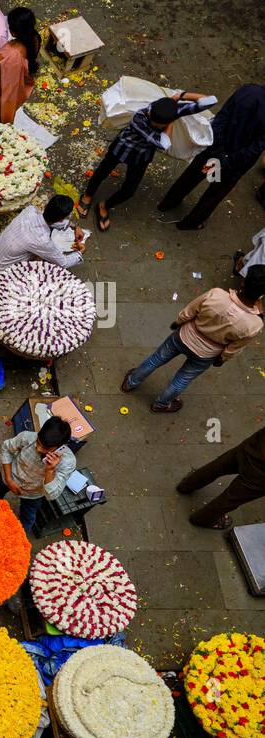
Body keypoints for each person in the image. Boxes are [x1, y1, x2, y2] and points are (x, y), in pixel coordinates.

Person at [122, 267, 264, 413]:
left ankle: (131, 382)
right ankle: (161, 404)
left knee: (156, 359)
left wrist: (178, 322)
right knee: (182, 379)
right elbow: (235, 347)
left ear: (242, 284)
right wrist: (221, 359)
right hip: (207, 353)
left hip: (183, 336)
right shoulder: (255, 324)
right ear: (260, 296)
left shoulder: (216, 294)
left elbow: (190, 310)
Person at [80, 90, 217, 232]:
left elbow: (210, 100)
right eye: (158, 124)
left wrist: (180, 96)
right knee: (102, 172)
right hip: (122, 148)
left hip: (141, 157)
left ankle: (104, 206)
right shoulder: (139, 118)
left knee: (129, 191)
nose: (159, 126)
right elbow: (164, 144)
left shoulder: (171, 109)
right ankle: (87, 195)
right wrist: (172, 118)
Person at [159, 84, 265, 231]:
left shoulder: (247, 91)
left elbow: (222, 118)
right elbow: (256, 148)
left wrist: (218, 150)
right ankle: (191, 222)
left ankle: (168, 203)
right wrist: (227, 160)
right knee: (215, 192)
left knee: (194, 174)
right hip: (233, 165)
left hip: (215, 150)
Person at [0, 415, 76, 534]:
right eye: (38, 443)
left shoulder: (67, 462)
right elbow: (6, 448)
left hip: (33, 493)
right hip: (9, 477)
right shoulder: (27, 437)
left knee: (28, 517)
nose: (39, 449)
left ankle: (19, 538)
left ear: (60, 447)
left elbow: (52, 495)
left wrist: (50, 470)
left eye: (45, 448)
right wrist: (9, 479)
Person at [177, 425, 265, 530]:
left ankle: (188, 484)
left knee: (222, 464)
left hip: (257, 444)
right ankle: (203, 518)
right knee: (233, 497)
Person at [0, 194, 87, 274]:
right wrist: (79, 253)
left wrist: (74, 227)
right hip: (1, 271)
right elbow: (63, 263)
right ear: (62, 219)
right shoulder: (43, 241)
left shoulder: (29, 210)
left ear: (47, 205)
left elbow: (48, 219)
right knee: (45, 267)